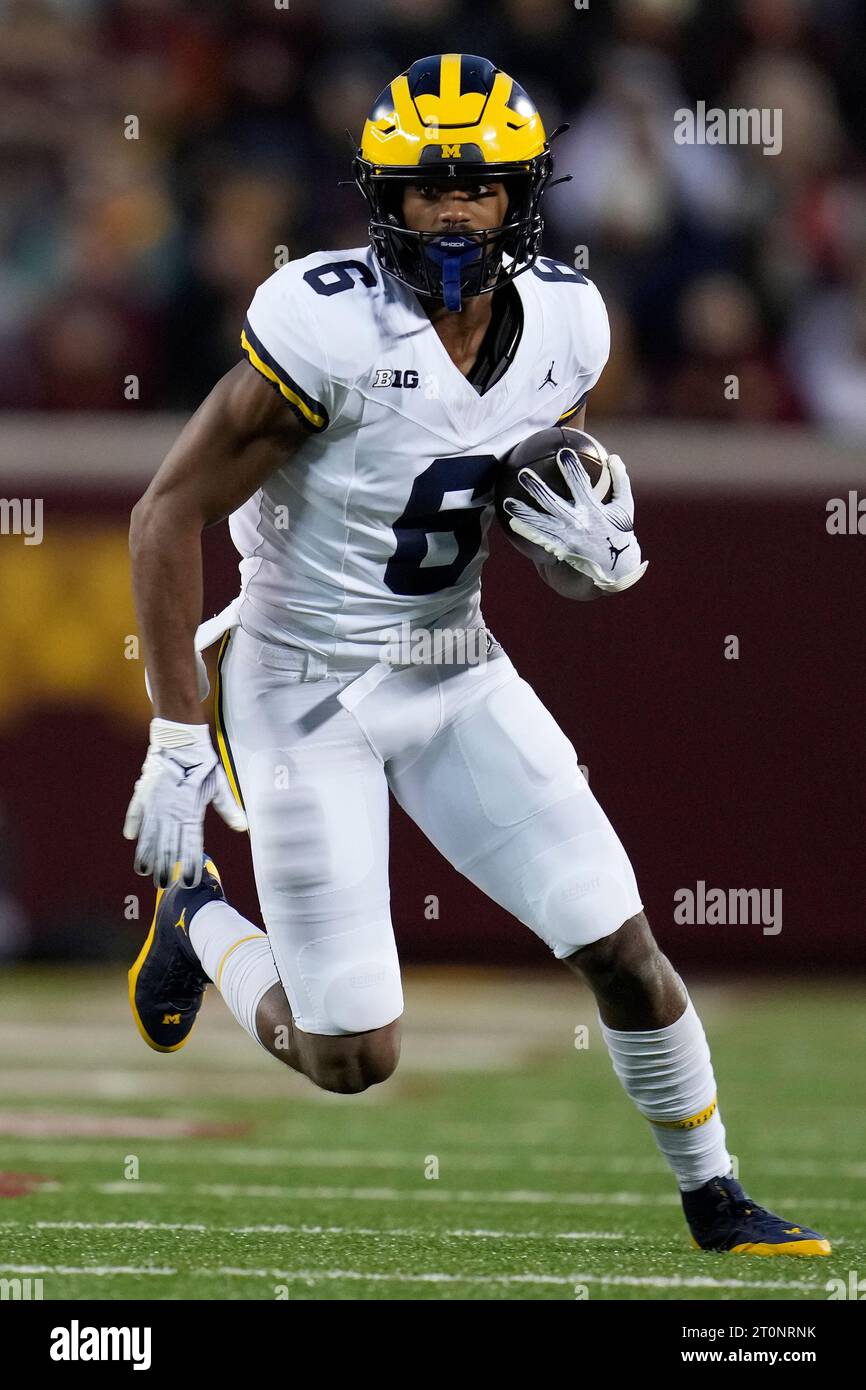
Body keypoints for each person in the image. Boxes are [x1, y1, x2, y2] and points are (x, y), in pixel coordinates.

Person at [124, 53, 829, 1258]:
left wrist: (583, 551)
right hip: (300, 681)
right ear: (380, 200)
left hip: (453, 665)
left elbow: (538, 488)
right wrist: (179, 738)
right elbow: (163, 514)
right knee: (351, 1055)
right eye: (426, 189)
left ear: (521, 197)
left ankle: (715, 1196)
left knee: (618, 942)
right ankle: (196, 920)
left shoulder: (566, 320)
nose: (452, 211)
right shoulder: (325, 325)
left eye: (478, 188)